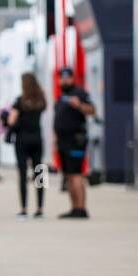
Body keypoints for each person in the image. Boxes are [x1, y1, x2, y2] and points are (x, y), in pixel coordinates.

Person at [53, 66, 96, 218]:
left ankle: (81, 208)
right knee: (69, 175)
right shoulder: (61, 97)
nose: (64, 80)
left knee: (77, 174)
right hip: (63, 142)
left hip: (75, 140)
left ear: (72, 78)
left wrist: (79, 105)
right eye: (62, 77)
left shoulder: (79, 93)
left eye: (67, 77)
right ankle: (74, 208)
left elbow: (92, 110)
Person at [7, 73, 47, 218]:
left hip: (22, 140)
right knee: (39, 173)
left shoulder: (19, 101)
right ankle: (40, 208)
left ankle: (24, 209)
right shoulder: (41, 100)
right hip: (37, 139)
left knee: (23, 175)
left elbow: (11, 120)